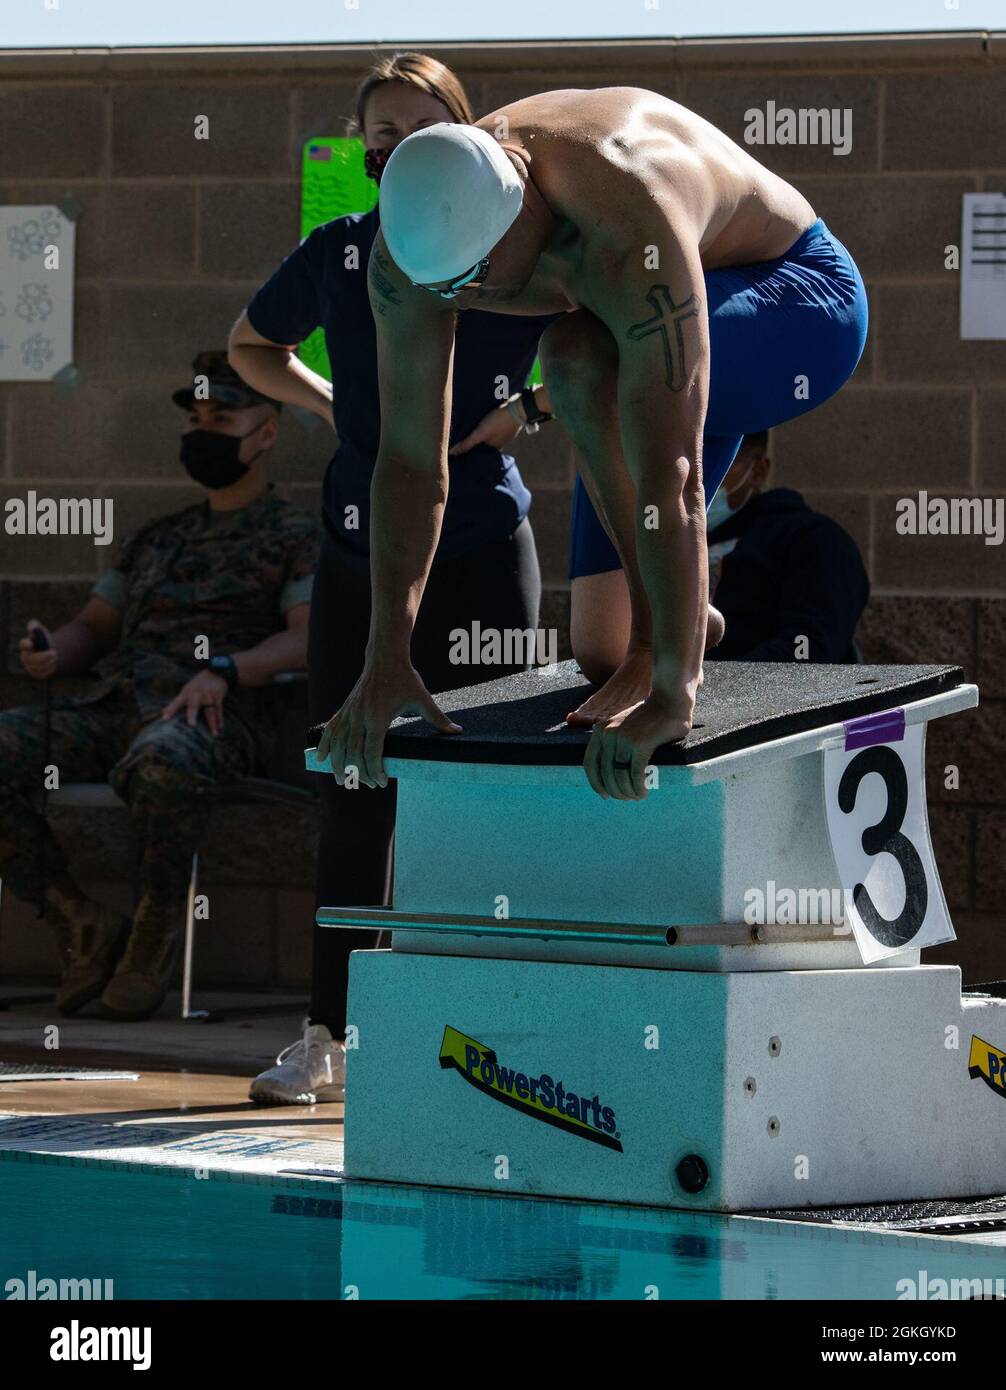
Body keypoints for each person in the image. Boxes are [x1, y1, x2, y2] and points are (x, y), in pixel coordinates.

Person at [322, 86, 870, 804]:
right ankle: (677, 618)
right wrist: (385, 657)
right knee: (600, 649)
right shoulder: (407, 257)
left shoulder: (625, 205)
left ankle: (673, 635)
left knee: (578, 359)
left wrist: (673, 691)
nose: (468, 297)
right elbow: (408, 461)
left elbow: (670, 472)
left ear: (520, 207)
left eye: (478, 275)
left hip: (798, 302)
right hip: (651, 317)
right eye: (449, 287)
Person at [228, 53, 559, 1105]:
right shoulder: (339, 250)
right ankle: (328, 1033)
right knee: (355, 781)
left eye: (415, 127)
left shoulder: (516, 246)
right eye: (376, 129)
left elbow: (599, 337)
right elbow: (249, 344)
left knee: (490, 796)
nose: (390, 145)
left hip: (480, 548)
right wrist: (328, 403)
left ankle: (487, 1034)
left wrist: (538, 406)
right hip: (360, 546)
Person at [0, 351, 319, 1021]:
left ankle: (152, 933)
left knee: (162, 761)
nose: (204, 432)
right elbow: (95, 625)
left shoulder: (293, 535)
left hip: (210, 716)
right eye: (196, 418)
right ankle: (76, 920)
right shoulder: (160, 536)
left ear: (266, 433)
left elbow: (307, 638)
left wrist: (228, 669)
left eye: (223, 417)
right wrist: (53, 651)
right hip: (115, 706)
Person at [569, 431, 870, 674]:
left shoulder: (811, 540)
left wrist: (700, 688)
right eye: (682, 461)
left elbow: (808, 654)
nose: (694, 478)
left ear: (758, 472)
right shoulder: (659, 542)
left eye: (717, 461)